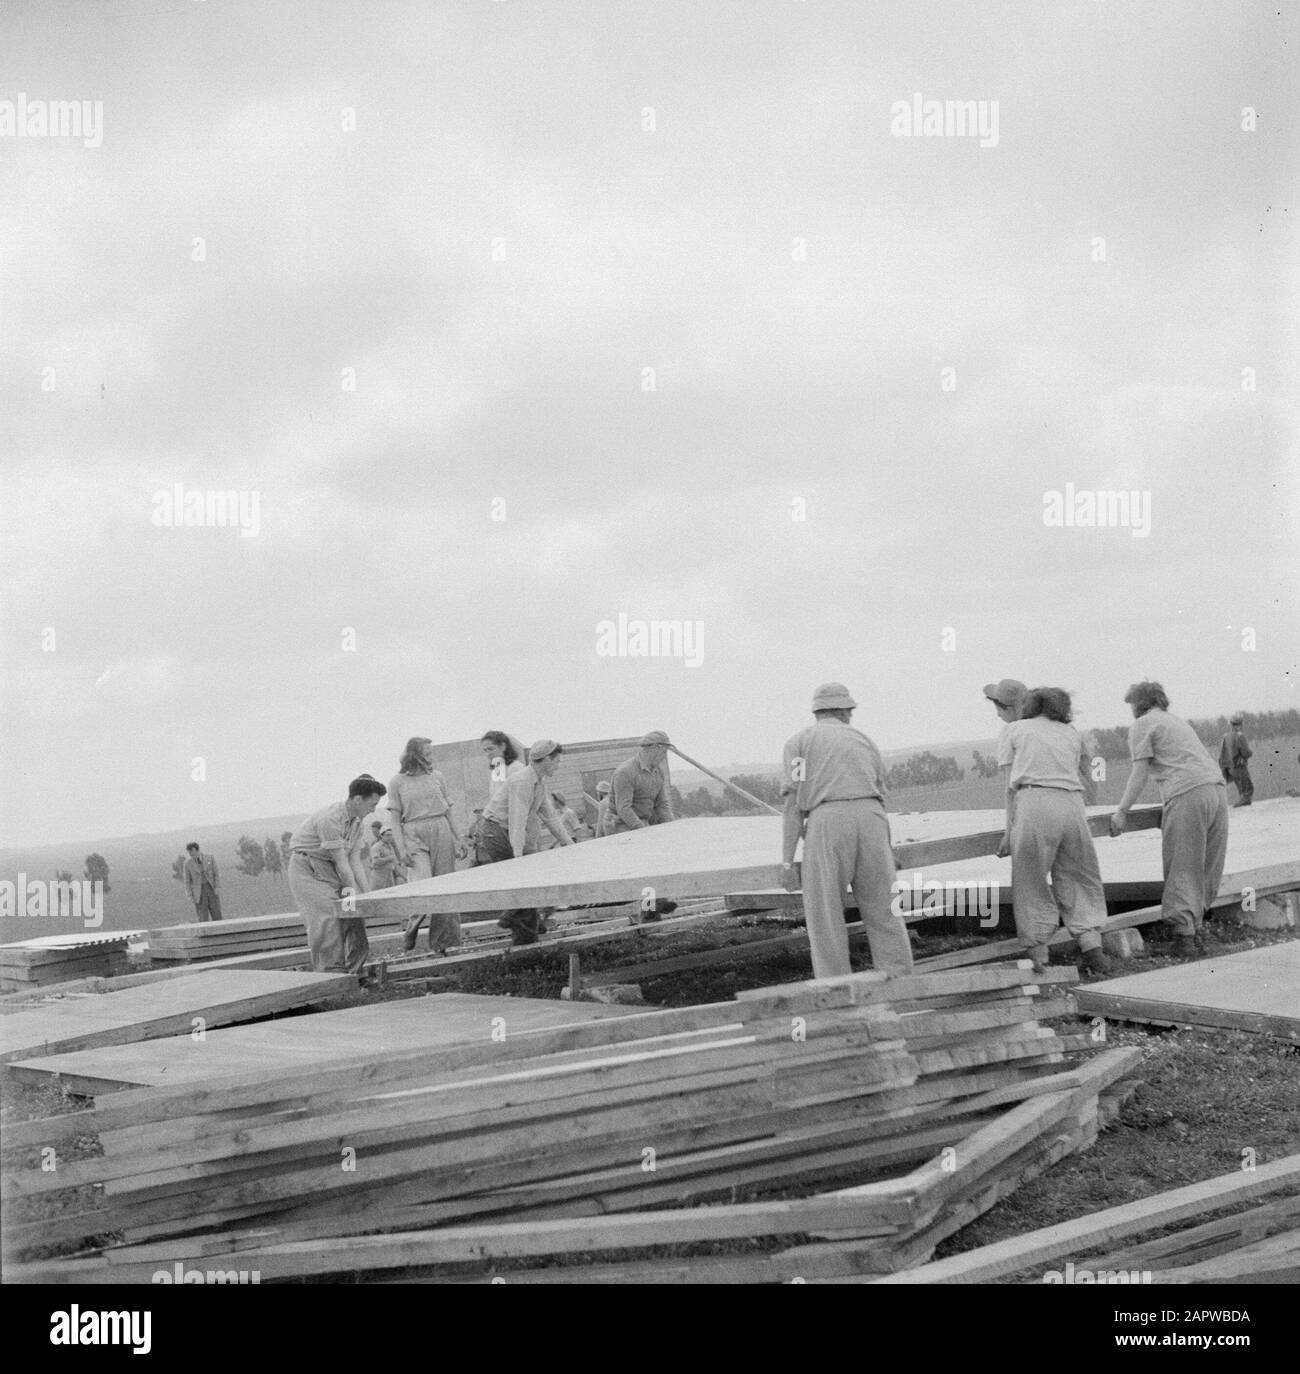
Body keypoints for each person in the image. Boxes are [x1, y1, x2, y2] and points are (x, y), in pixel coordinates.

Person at [780, 683, 914, 979]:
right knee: (886, 910)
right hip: (871, 820)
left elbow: (792, 804)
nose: (850, 716)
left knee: (826, 915)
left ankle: (836, 988)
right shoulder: (863, 740)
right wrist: (885, 849)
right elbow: (878, 796)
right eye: (849, 711)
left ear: (817, 710)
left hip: (827, 821)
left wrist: (787, 863)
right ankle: (900, 984)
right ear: (842, 710)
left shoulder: (800, 743)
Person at [1110, 682, 1228, 957]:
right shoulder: (1176, 722)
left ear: (1139, 704)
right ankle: (1195, 929)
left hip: (1186, 792)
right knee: (1207, 865)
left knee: (1182, 863)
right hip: (1216, 790)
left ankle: (1183, 938)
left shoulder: (1143, 724)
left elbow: (1139, 772)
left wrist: (1122, 811)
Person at [998, 688, 1110, 976]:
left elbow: (1010, 786)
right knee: (1079, 874)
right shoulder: (1071, 733)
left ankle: (1038, 955)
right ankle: (1092, 947)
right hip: (1072, 803)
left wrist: (1009, 830)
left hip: (1034, 801)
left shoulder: (1014, 730)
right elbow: (1084, 772)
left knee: (1030, 877)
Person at [477, 738, 575, 944]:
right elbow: (517, 820)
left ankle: (526, 936)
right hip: (496, 831)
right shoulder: (522, 781)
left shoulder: (538, 782)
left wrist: (570, 845)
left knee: (527, 881)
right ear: (546, 760)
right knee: (522, 880)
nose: (558, 765)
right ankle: (513, 918)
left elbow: (550, 817)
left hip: (506, 831)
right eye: (556, 761)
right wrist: (518, 855)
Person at [287, 774, 387, 974]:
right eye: (372, 804)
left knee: (353, 915)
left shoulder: (357, 822)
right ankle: (331, 976)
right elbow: (343, 863)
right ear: (358, 799)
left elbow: (354, 861)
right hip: (309, 871)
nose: (373, 810)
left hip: (335, 870)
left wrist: (367, 895)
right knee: (327, 919)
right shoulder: (330, 819)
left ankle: (354, 973)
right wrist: (352, 892)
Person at [388, 737, 468, 953]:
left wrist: (459, 837)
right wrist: (401, 849)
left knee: (445, 885)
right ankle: (413, 924)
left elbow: (448, 810)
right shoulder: (397, 782)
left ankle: (445, 943)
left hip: (440, 827)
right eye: (427, 753)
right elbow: (395, 819)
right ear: (414, 755)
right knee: (423, 882)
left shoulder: (437, 777)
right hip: (413, 832)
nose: (431, 757)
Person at [602, 731, 676, 834]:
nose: (664, 756)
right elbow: (624, 809)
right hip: (620, 825)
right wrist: (644, 831)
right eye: (664, 752)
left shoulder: (658, 772)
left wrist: (671, 827)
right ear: (654, 748)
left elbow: (662, 804)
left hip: (641, 822)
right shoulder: (625, 772)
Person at [1218, 714, 1254, 808]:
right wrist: (1251, 752)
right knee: (1247, 790)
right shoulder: (1240, 736)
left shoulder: (1226, 736)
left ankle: (1241, 805)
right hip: (1240, 766)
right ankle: (1239, 806)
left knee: (1242, 790)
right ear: (1241, 724)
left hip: (1231, 768)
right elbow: (1246, 753)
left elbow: (1222, 754)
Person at [182, 842, 222, 922]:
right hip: (199, 893)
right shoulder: (187, 864)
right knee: (203, 917)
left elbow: (216, 873)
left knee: (217, 913)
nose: (191, 855)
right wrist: (189, 895)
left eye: (192, 852)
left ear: (197, 850)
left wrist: (217, 887)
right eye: (189, 853)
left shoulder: (210, 858)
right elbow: (187, 881)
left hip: (211, 889)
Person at [366, 819, 401, 891]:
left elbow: (396, 851)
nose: (374, 834)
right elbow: (372, 858)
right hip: (379, 871)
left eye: (376, 832)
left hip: (391, 869)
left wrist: (398, 862)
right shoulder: (374, 843)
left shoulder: (390, 840)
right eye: (373, 832)